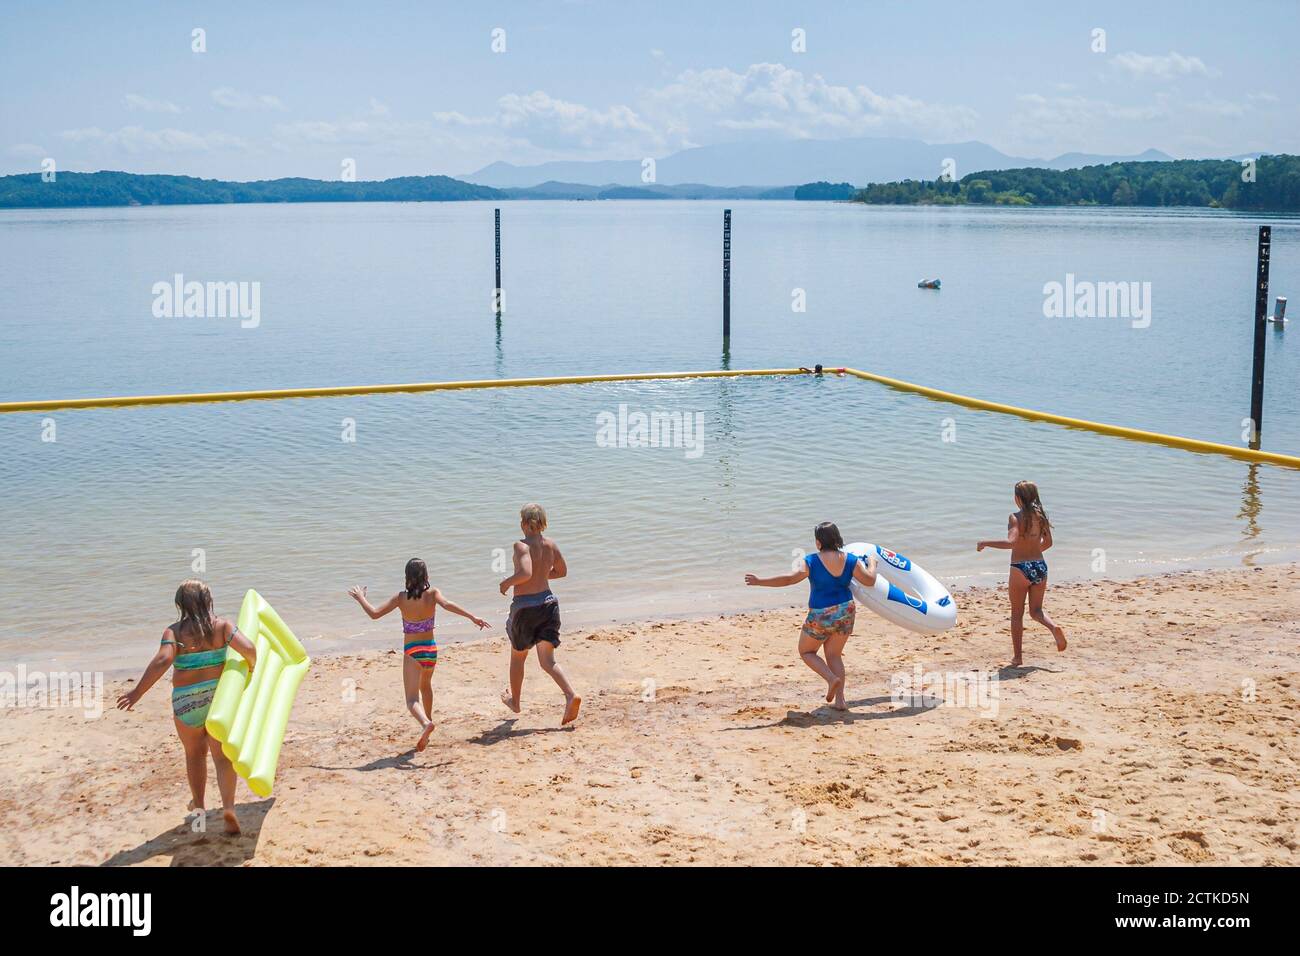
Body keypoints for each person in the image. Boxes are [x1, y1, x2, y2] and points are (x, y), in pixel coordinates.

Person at [116, 580, 257, 835]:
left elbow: (163, 660)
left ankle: (200, 809)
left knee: (194, 755)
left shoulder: (174, 632)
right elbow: (248, 648)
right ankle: (228, 808)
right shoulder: (223, 626)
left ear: (180, 604)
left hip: (185, 702)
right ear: (208, 601)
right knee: (222, 757)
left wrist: (138, 692)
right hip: (218, 702)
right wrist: (251, 668)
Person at [348, 558, 491, 751]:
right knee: (426, 686)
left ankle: (425, 723)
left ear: (406, 577)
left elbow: (374, 614)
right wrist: (473, 617)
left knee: (411, 699)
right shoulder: (432, 594)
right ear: (426, 576)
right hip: (431, 649)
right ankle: (428, 724)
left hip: (413, 651)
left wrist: (360, 598)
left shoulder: (401, 598)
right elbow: (448, 604)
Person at [744, 522, 877, 710]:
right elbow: (870, 580)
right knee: (834, 655)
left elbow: (790, 579)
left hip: (821, 613)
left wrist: (760, 581)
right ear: (837, 538)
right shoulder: (851, 560)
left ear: (818, 542)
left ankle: (831, 679)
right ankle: (840, 701)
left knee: (806, 652)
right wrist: (872, 563)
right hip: (846, 610)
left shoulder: (811, 561)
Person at [498, 503, 581, 725]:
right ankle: (571, 694)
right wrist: (543, 575)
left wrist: (506, 582)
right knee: (547, 661)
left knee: (518, 656)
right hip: (548, 604)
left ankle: (515, 701)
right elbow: (562, 572)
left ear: (524, 523)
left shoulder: (520, 546)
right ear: (543, 522)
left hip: (526, 608)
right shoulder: (551, 545)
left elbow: (525, 572)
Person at [977, 480, 1067, 665]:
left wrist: (985, 542)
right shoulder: (1041, 517)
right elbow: (1048, 542)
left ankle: (1018, 657)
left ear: (1018, 498)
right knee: (1036, 611)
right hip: (1040, 566)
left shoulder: (1014, 517)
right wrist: (1033, 552)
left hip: (1020, 568)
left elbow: (1011, 543)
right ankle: (1053, 627)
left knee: (1017, 614)